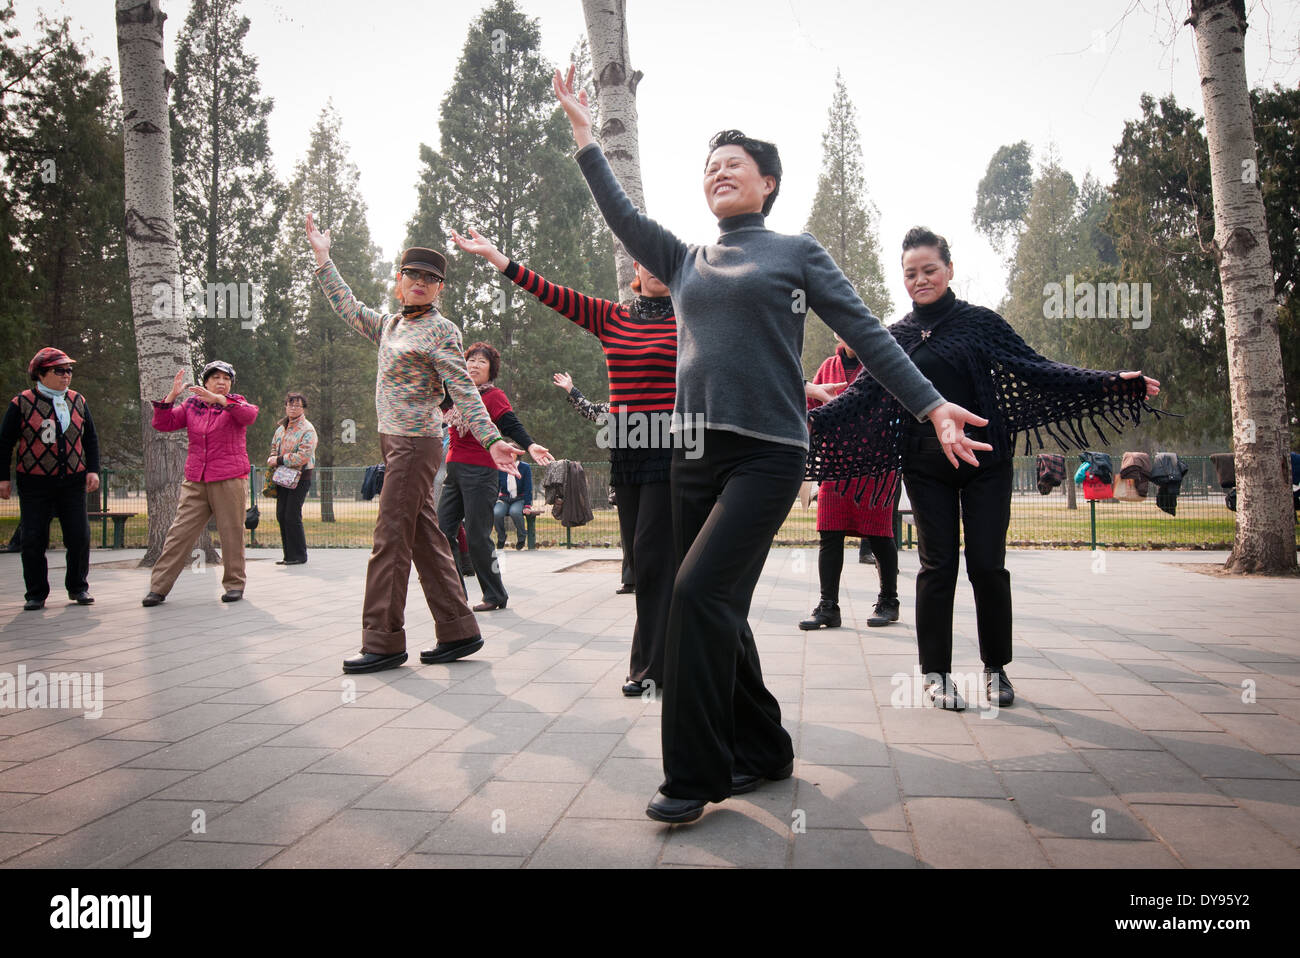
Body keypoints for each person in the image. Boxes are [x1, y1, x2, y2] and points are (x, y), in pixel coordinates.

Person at [553, 67, 990, 824]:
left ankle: (695, 775)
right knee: (718, 604)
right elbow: (621, 215)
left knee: (693, 597)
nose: (718, 174)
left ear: (769, 184)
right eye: (709, 168)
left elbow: (864, 331)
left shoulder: (794, 252)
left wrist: (930, 406)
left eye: (735, 166)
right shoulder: (684, 259)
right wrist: (586, 137)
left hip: (767, 453)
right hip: (692, 453)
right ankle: (765, 748)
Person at [809, 227, 1162, 710]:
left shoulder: (981, 324)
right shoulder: (893, 339)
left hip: (987, 463)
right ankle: (935, 673)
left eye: (930, 270)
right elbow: (857, 401)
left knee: (988, 566)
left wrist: (1110, 383)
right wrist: (798, 418)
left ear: (950, 270)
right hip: (925, 466)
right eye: (910, 273)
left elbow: (1039, 369)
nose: (920, 280)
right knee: (937, 566)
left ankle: (996, 669)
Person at [451, 226, 676, 696]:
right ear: (635, 269)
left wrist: (796, 389)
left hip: (675, 450)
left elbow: (736, 358)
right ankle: (669, 655)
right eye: (645, 259)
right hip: (628, 453)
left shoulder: (692, 318)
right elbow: (549, 292)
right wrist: (497, 257)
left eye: (663, 259)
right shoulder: (612, 317)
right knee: (640, 558)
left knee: (656, 559)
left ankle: (650, 666)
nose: (654, 267)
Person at [307, 214, 524, 673]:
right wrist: (324, 257)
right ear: (399, 283)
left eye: (431, 278)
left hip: (414, 445)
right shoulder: (388, 326)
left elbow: (463, 389)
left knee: (389, 538)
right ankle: (459, 629)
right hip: (394, 442)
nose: (422, 283)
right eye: (414, 275)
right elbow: (346, 306)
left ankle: (383, 641)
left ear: (440, 288)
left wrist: (491, 440)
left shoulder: (442, 331)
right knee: (426, 537)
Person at [438, 341, 553, 612]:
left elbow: (511, 424)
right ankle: (455, 594)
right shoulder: (455, 394)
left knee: (478, 535)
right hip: (453, 472)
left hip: (481, 472)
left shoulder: (493, 396)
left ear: (492, 370)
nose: (474, 365)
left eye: (482, 362)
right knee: (442, 532)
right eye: (471, 360)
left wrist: (530, 444)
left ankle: (495, 594)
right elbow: (435, 374)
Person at [800, 337, 900, 630]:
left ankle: (889, 601)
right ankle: (828, 606)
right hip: (836, 465)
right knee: (829, 534)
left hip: (876, 465)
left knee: (881, 535)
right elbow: (808, 404)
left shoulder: (880, 364)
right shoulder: (828, 367)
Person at [142, 360, 257, 606]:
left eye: (226, 379)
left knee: (231, 533)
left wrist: (220, 400)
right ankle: (158, 588)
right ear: (205, 382)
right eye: (215, 378)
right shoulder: (192, 404)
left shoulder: (235, 403)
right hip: (196, 480)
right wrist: (170, 397)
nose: (221, 382)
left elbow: (250, 415)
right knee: (179, 533)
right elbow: (163, 423)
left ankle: (234, 585)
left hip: (229, 478)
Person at [0, 348, 100, 610]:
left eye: (69, 370)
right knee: (33, 538)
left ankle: (78, 587)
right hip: (35, 482)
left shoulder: (77, 400)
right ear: (41, 374)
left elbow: (90, 438)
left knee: (79, 536)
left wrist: (93, 470)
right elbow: (4, 443)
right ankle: (36, 593)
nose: (66, 376)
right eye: (60, 371)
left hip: (73, 480)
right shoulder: (22, 402)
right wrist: (3, 478)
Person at [552, 372, 636, 596]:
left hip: (654, 478)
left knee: (650, 530)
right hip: (624, 478)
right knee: (628, 531)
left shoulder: (656, 408)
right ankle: (631, 579)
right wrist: (571, 389)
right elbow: (589, 409)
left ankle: (653, 576)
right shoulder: (614, 409)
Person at [267, 392, 317, 565]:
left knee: (292, 515)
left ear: (303, 409)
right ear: (285, 406)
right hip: (282, 476)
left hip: (300, 477)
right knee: (281, 514)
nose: (293, 408)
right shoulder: (281, 428)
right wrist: (273, 457)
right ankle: (288, 555)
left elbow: (303, 456)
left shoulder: (308, 430)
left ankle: (299, 555)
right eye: (290, 404)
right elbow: (274, 446)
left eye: (297, 405)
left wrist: (279, 459)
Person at [494, 463, 532, 551]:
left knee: (514, 512)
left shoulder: (525, 467)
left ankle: (521, 537)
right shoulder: (501, 467)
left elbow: (528, 487)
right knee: (496, 513)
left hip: (519, 498)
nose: (510, 453)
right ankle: (501, 537)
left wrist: (527, 505)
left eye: (512, 451)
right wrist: (493, 501)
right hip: (504, 498)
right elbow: (496, 486)